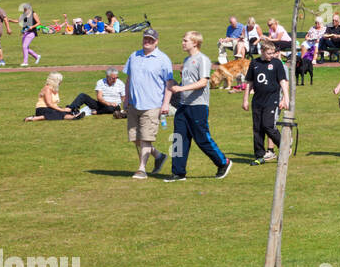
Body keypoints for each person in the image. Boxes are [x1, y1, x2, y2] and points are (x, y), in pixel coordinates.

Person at [166, 31, 231, 181]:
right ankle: (178, 172)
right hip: (183, 106)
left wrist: (181, 89)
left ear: (195, 42)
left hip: (198, 106)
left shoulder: (203, 59)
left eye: (185, 40)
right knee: (178, 139)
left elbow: (203, 82)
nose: (182, 43)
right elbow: (188, 82)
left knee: (202, 138)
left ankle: (223, 162)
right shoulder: (186, 60)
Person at [123, 27, 174, 178]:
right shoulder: (134, 56)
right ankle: (159, 156)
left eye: (151, 40)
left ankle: (142, 169)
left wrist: (165, 104)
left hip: (152, 105)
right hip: (134, 104)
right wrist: (126, 99)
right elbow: (128, 79)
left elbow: (169, 84)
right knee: (136, 138)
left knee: (146, 138)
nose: (147, 41)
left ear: (156, 42)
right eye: (145, 38)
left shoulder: (163, 59)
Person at [243, 39, 289, 165]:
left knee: (268, 126)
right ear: (262, 51)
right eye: (269, 53)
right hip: (257, 100)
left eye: (273, 53)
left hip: (272, 99)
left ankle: (284, 147)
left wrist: (285, 98)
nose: (272, 55)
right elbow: (249, 83)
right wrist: (245, 99)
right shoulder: (254, 63)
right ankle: (259, 156)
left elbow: (283, 82)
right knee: (257, 129)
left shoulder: (277, 63)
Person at [18, 2, 41, 67]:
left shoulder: (34, 14)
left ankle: (25, 62)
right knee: (26, 48)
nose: (24, 10)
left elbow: (39, 23)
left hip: (32, 32)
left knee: (24, 47)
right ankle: (37, 56)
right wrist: (9, 20)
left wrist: (32, 27)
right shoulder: (24, 15)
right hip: (25, 32)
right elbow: (19, 21)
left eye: (25, 8)